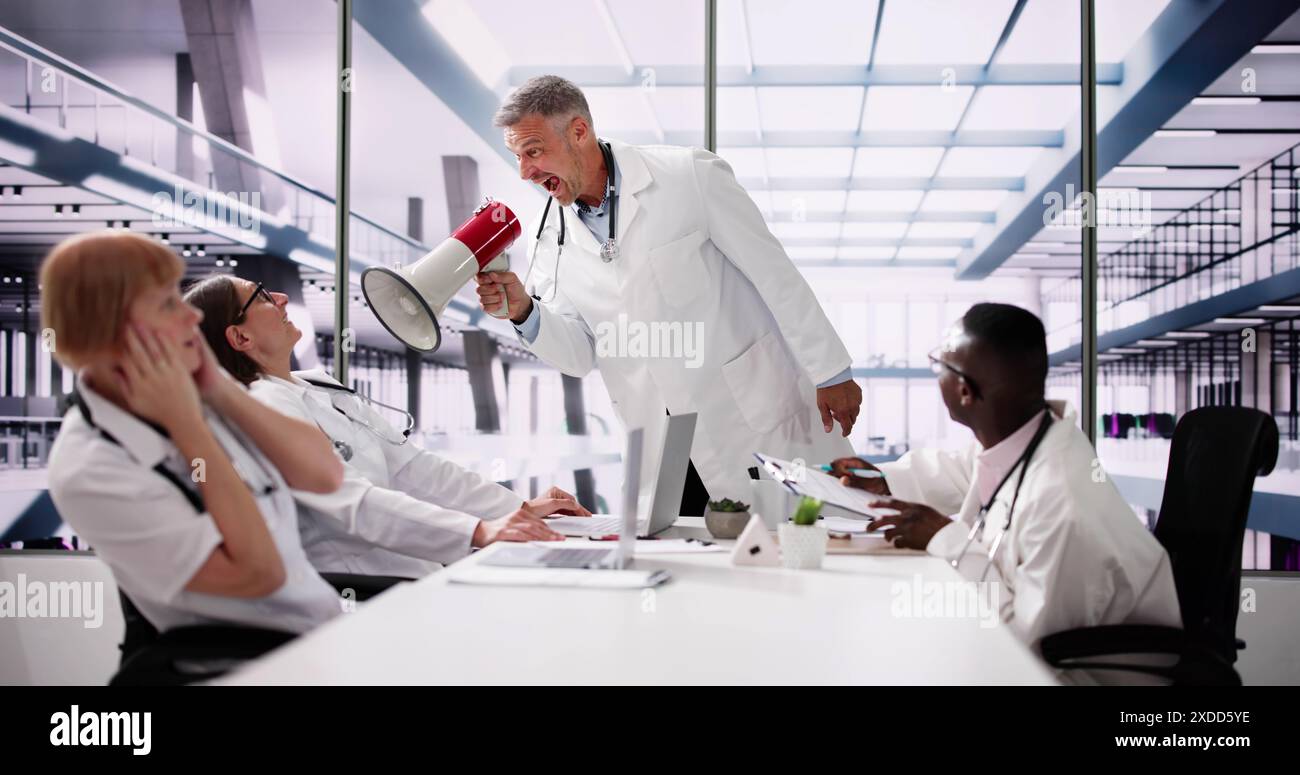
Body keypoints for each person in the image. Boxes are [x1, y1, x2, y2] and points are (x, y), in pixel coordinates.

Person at [475, 75, 862, 512]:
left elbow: (774, 273)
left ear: (579, 131)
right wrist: (524, 311)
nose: (525, 172)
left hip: (746, 414)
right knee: (687, 548)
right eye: (517, 157)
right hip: (662, 442)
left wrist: (831, 371)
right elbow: (580, 354)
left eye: (533, 152)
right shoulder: (549, 238)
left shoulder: (688, 176)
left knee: (797, 534)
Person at [42, 232, 345, 634]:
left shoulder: (196, 389)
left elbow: (326, 475)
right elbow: (260, 574)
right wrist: (187, 426)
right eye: (167, 304)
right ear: (110, 331)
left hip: (325, 628)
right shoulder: (90, 471)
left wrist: (217, 386)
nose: (192, 318)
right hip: (255, 658)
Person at [184, 275, 585, 577]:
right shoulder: (264, 407)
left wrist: (517, 510)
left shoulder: (319, 386)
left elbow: (415, 468)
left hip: (421, 573)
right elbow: (353, 504)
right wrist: (479, 531)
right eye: (261, 296)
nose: (282, 297)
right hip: (367, 588)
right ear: (240, 337)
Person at [831, 303, 1181, 649]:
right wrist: (883, 480)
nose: (936, 374)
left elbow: (1033, 645)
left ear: (965, 391)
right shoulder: (1026, 440)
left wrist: (944, 538)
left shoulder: (1063, 503)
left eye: (940, 365)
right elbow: (960, 469)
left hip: (1084, 672)